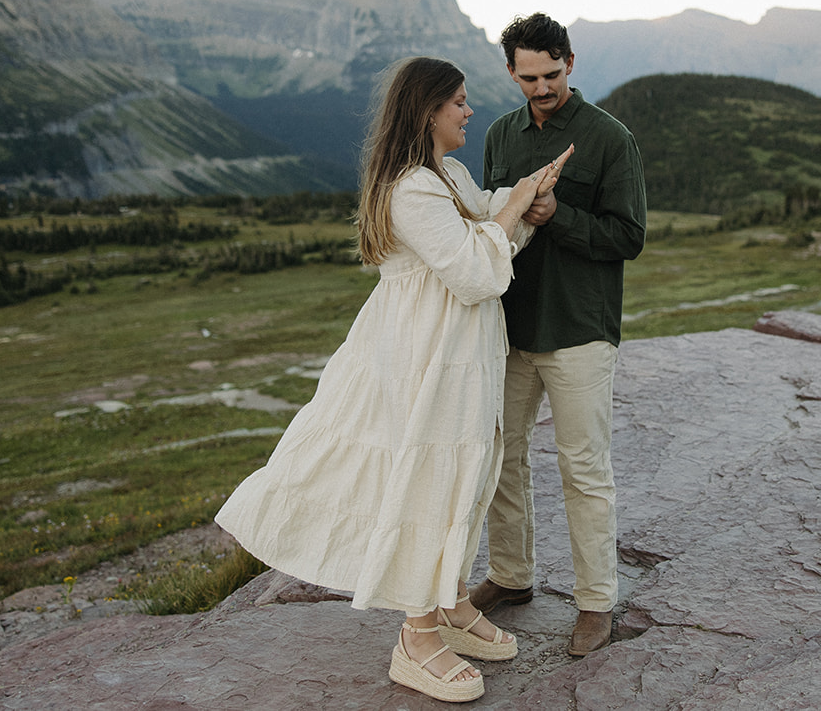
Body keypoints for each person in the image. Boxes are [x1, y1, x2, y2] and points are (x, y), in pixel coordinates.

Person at [215, 56, 572, 703]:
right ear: (428, 110)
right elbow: (474, 270)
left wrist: (523, 207)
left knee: (467, 468)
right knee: (427, 478)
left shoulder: (450, 173)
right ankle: (416, 634)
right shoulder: (409, 187)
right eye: (458, 101)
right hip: (421, 357)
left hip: (458, 353)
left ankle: (449, 597)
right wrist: (517, 204)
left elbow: (487, 227)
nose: (469, 111)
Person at [470, 13, 647, 657]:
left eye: (551, 74)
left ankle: (596, 602)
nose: (541, 88)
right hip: (510, 327)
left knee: (583, 468)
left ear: (570, 62)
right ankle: (511, 577)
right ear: (511, 72)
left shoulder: (609, 138)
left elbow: (629, 236)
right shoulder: (498, 135)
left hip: (579, 329)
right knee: (501, 457)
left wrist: (558, 214)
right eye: (528, 77)